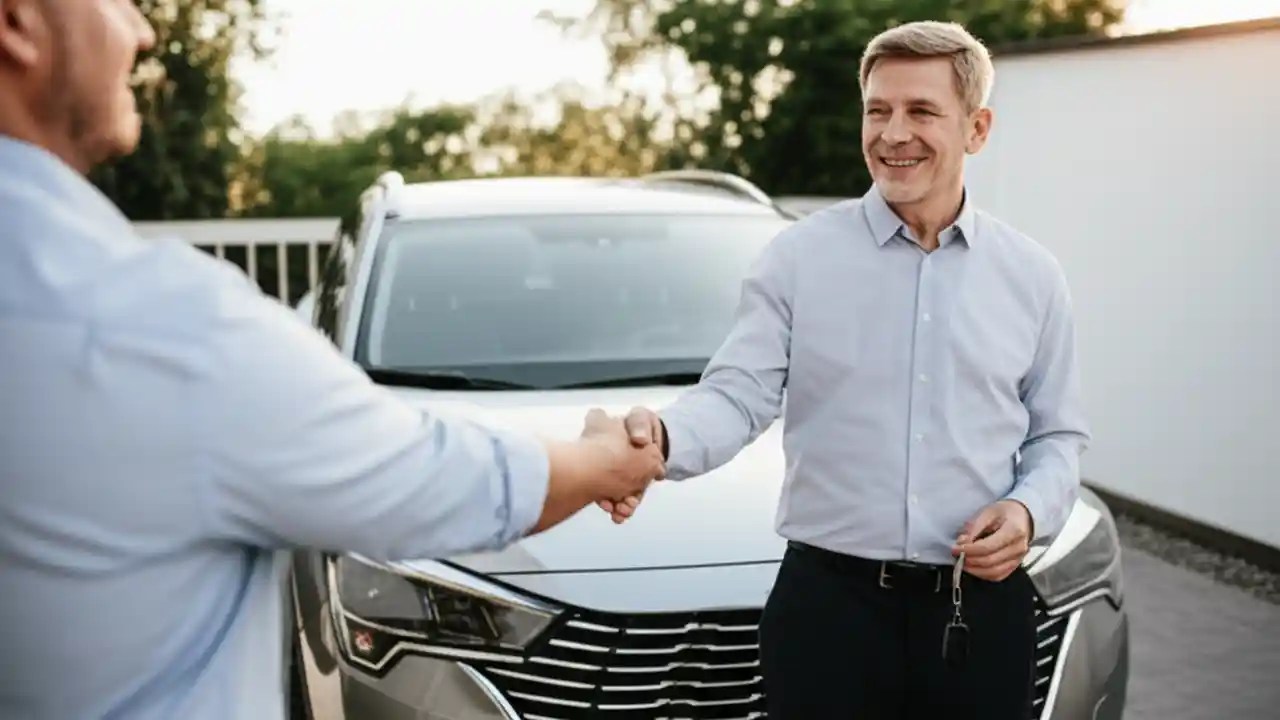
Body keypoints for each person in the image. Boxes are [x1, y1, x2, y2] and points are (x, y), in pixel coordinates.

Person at [0, 2, 662, 719]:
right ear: (16, 22)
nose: (142, 29)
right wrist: (604, 460)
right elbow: (441, 482)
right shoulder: (159, 325)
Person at [599, 19, 1090, 719]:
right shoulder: (797, 258)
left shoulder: (1033, 277)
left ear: (977, 129)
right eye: (877, 110)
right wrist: (659, 441)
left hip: (978, 614)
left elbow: (1057, 437)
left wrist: (1028, 509)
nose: (893, 133)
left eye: (921, 111)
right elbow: (737, 397)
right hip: (828, 616)